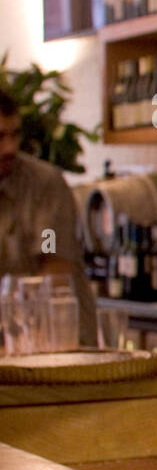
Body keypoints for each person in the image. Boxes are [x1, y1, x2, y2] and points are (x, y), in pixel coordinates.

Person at [0, 87, 97, 345]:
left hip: (55, 343)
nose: (9, 148)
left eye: (15, 135)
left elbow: (54, 270)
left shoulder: (44, 185)